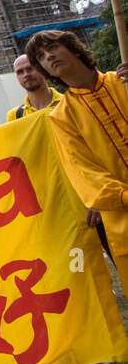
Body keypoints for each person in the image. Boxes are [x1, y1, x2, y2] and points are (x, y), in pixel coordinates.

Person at [26, 30, 128, 285]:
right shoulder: (61, 118)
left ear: (73, 48)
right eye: (41, 56)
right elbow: (86, 175)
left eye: (53, 47)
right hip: (124, 220)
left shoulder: (122, 83)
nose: (48, 56)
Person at [7, 53, 61, 121]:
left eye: (30, 69)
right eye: (20, 72)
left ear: (43, 70)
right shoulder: (14, 116)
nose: (26, 74)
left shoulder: (67, 102)